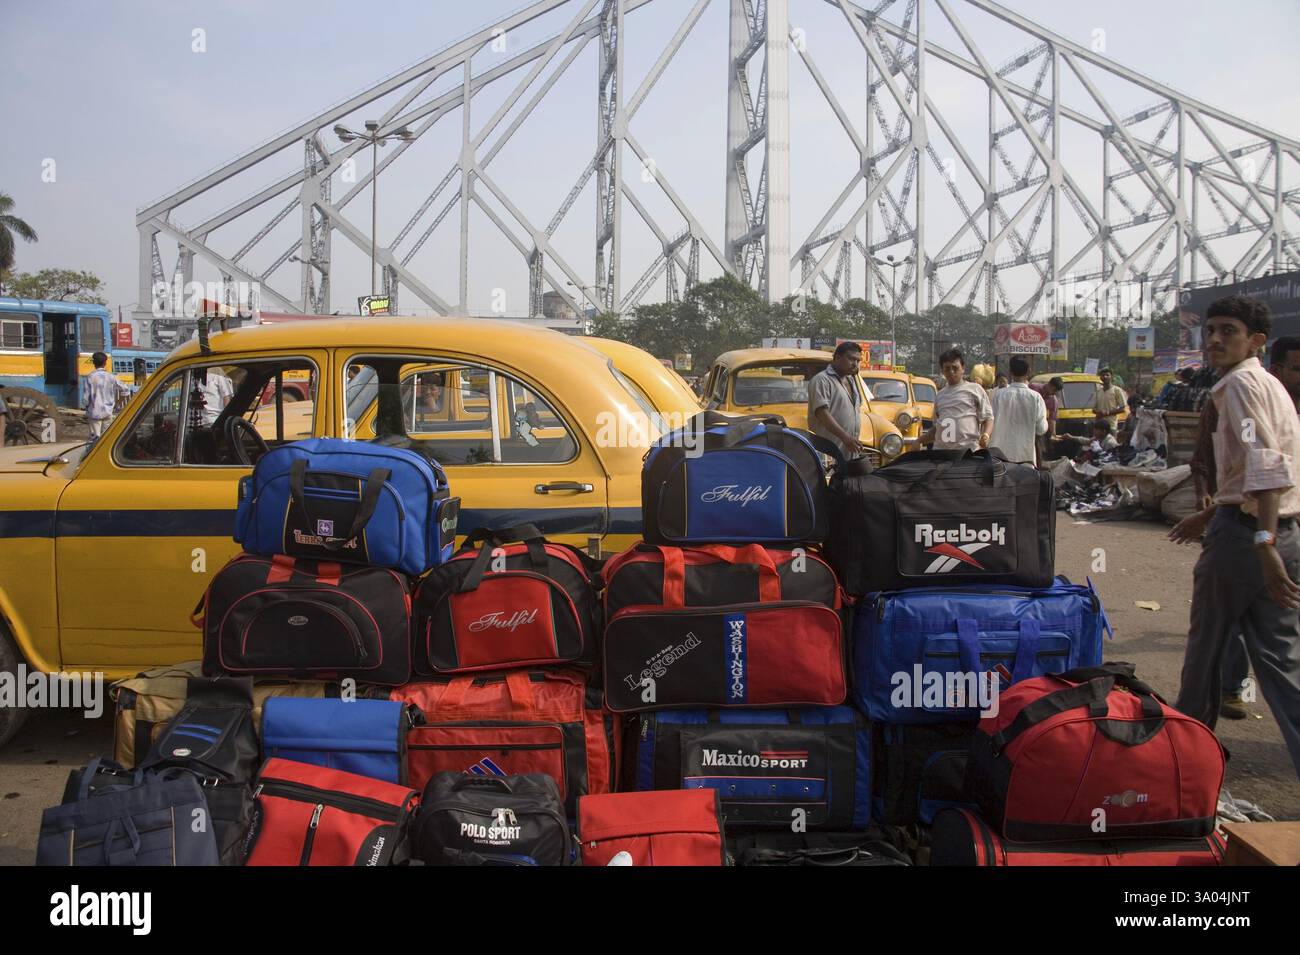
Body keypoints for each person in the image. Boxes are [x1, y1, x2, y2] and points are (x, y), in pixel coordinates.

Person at [1168, 295, 1300, 779]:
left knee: (1204, 656)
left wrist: (1261, 543)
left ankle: (1182, 767)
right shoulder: (1270, 384)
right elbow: (1258, 470)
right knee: (1283, 666)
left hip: (1249, 537)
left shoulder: (1240, 386)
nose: (1215, 340)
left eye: (1229, 331)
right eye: (1211, 330)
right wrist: (1211, 517)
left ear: (1256, 341)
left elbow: (1266, 465)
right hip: (1280, 530)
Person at [922, 347, 993, 452]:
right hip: (941, 454)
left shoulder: (975, 389)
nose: (951, 372)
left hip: (968, 452)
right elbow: (938, 427)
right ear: (942, 370)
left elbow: (988, 418)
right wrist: (919, 440)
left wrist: (986, 435)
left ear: (963, 368)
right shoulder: (940, 395)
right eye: (947, 368)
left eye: (955, 368)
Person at [807, 341, 866, 460]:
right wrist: (845, 438)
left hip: (849, 452)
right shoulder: (821, 380)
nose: (855, 364)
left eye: (857, 361)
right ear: (837, 358)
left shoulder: (851, 381)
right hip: (829, 454)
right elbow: (822, 413)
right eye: (851, 359)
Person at [989, 356, 1047, 466]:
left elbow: (990, 422)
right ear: (1029, 372)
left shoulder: (998, 395)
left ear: (1010, 372)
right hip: (1025, 458)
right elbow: (1041, 429)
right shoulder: (1036, 398)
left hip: (999, 459)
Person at [82, 351, 129, 440]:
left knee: (94, 440)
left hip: (94, 413)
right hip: (108, 412)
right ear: (105, 363)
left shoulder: (90, 377)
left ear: (93, 363)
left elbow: (85, 399)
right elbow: (126, 391)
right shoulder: (112, 377)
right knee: (106, 439)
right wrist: (117, 403)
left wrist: (86, 407)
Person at [1093, 367, 1127, 433]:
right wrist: (1098, 413)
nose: (1105, 377)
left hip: (1111, 426)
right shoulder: (1098, 391)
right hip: (1099, 426)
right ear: (1100, 377)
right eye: (1103, 375)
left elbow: (1122, 409)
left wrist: (1107, 413)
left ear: (1111, 377)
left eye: (1107, 375)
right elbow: (1094, 409)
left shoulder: (1117, 390)